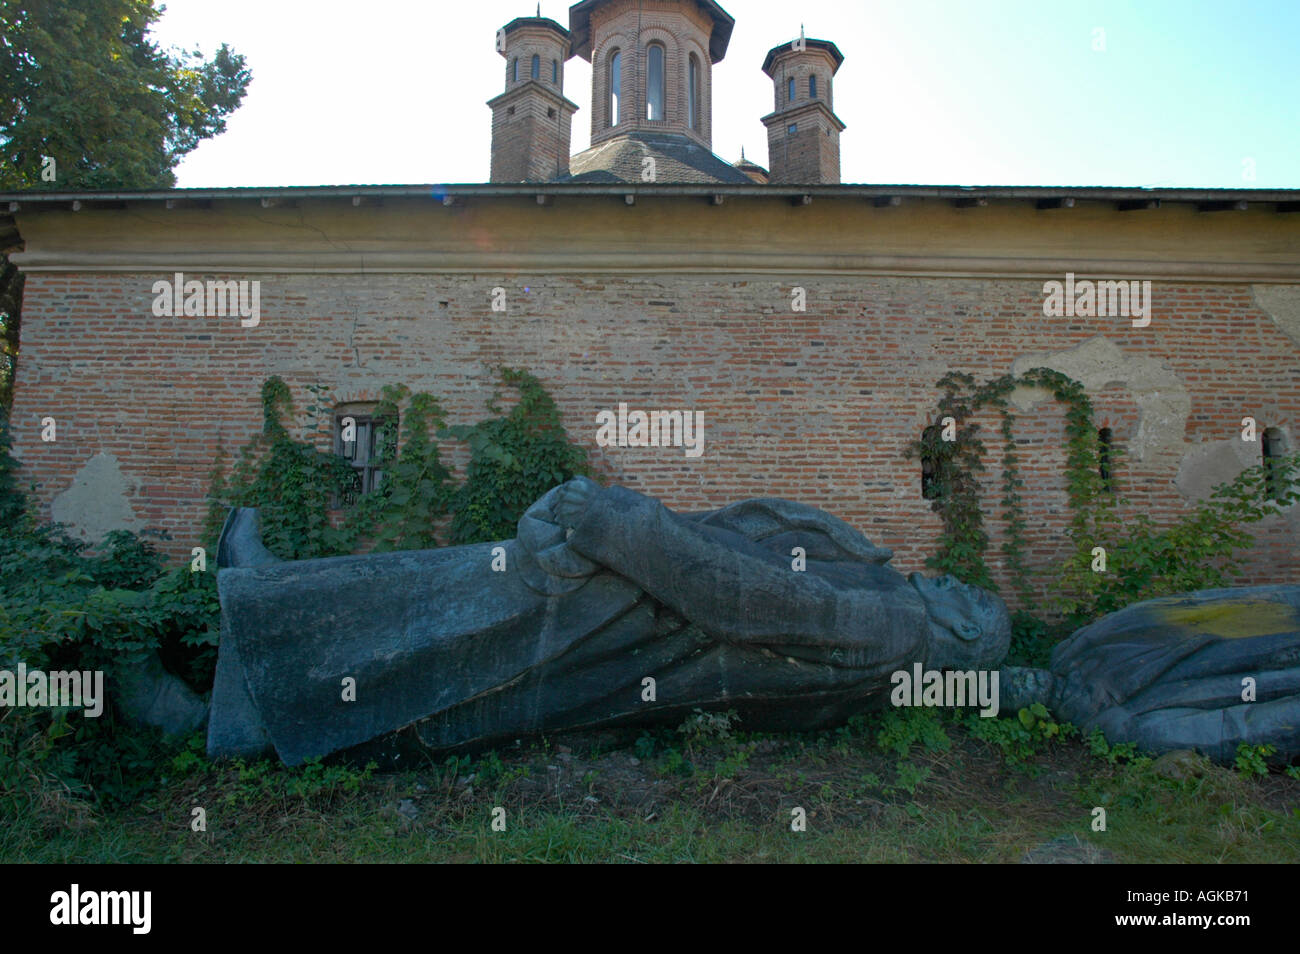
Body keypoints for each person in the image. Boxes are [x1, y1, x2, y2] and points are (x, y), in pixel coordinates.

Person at [209, 477, 1011, 765]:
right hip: (639, 640)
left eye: (972, 597)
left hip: (633, 614)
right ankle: (253, 702)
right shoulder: (892, 643)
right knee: (463, 691)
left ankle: (275, 612)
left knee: (451, 604)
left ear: (967, 637)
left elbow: (762, 600)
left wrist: (616, 520)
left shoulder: (896, 623)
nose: (955, 581)